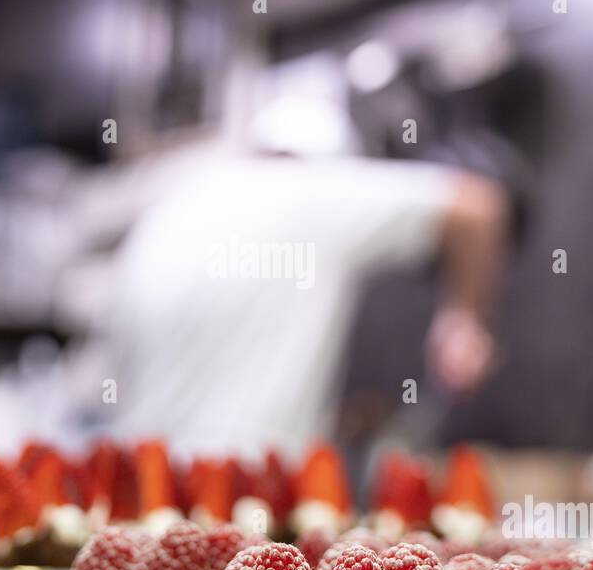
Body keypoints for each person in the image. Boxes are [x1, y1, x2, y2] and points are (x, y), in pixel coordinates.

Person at [99, 139, 510, 458]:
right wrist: (462, 322)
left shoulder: (169, 213)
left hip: (144, 493)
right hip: (248, 497)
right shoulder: (311, 192)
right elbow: (476, 205)